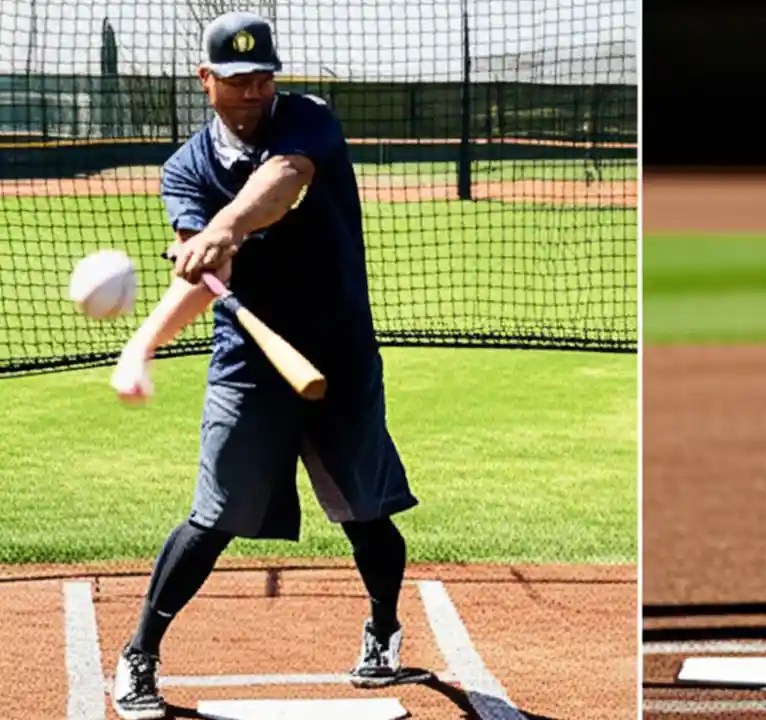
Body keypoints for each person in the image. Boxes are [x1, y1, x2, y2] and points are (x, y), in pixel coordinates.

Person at [107, 11, 423, 719]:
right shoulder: (186, 169)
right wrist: (143, 343)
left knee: (365, 513)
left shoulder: (306, 120)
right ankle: (140, 654)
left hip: (338, 352)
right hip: (248, 360)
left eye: (262, 77)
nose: (252, 91)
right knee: (214, 514)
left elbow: (283, 182)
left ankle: (382, 631)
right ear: (206, 81)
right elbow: (200, 278)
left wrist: (222, 230)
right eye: (237, 79)